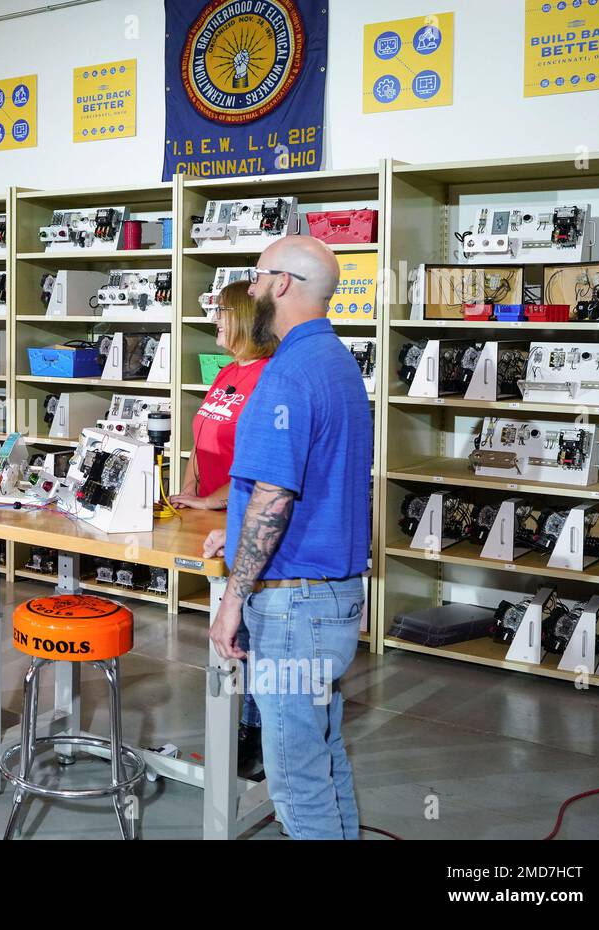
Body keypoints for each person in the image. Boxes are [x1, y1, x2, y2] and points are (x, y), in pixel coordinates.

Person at [202, 235, 371, 839]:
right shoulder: (336, 361)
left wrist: (230, 600)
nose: (248, 289)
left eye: (255, 276)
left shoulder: (288, 373)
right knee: (322, 753)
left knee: (295, 777)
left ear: (281, 284)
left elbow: (275, 497)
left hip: (296, 606)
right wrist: (237, 530)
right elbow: (312, 481)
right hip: (333, 594)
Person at [171, 280, 277, 780]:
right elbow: (201, 442)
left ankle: (254, 737)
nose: (214, 321)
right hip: (210, 515)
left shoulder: (270, 379)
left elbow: (260, 468)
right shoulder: (230, 373)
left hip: (241, 516)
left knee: (249, 628)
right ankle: (239, 724)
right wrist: (187, 496)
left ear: (243, 319)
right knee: (233, 624)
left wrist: (214, 502)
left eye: (221, 314)